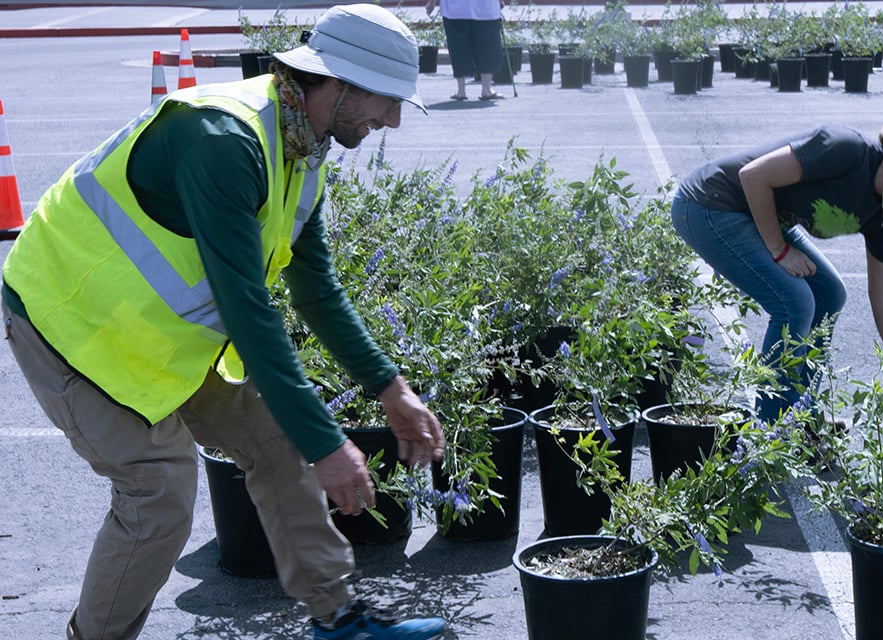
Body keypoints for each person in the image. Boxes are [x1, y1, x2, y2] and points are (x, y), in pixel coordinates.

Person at [2, 5, 448, 640]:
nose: (394, 120)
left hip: (147, 332)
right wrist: (331, 446)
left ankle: (337, 619)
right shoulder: (225, 140)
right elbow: (247, 308)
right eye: (387, 100)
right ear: (338, 82)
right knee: (157, 496)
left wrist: (389, 388)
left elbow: (313, 285)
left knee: (278, 439)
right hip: (69, 323)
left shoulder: (299, 147)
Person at [670, 124, 883, 423]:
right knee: (795, 303)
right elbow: (753, 176)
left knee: (830, 294)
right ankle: (772, 434)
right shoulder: (846, 150)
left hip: (752, 217)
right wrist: (780, 250)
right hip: (707, 205)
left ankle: (801, 416)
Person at [425, 0, 506, 101]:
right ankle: (486, 89)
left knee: (458, 48)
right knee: (487, 47)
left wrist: (432, 2)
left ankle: (461, 90)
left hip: (456, 9)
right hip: (485, 9)